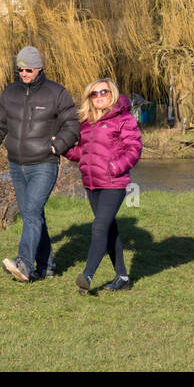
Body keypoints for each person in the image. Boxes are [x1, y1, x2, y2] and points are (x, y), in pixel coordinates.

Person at [0, 46, 81, 282]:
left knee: (32, 212)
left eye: (28, 69)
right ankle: (47, 265)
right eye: (20, 69)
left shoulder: (57, 93)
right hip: (16, 164)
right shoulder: (10, 93)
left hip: (44, 163)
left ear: (39, 68)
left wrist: (57, 147)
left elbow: (72, 126)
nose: (23, 74)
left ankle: (24, 264)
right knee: (31, 215)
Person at [64, 77, 142, 293]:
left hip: (113, 183)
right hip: (91, 183)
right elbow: (83, 153)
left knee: (99, 227)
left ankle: (87, 275)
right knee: (108, 228)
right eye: (94, 94)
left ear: (112, 94)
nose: (99, 97)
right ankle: (123, 277)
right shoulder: (86, 122)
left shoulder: (123, 118)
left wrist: (115, 168)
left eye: (104, 92)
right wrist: (64, 148)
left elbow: (134, 149)